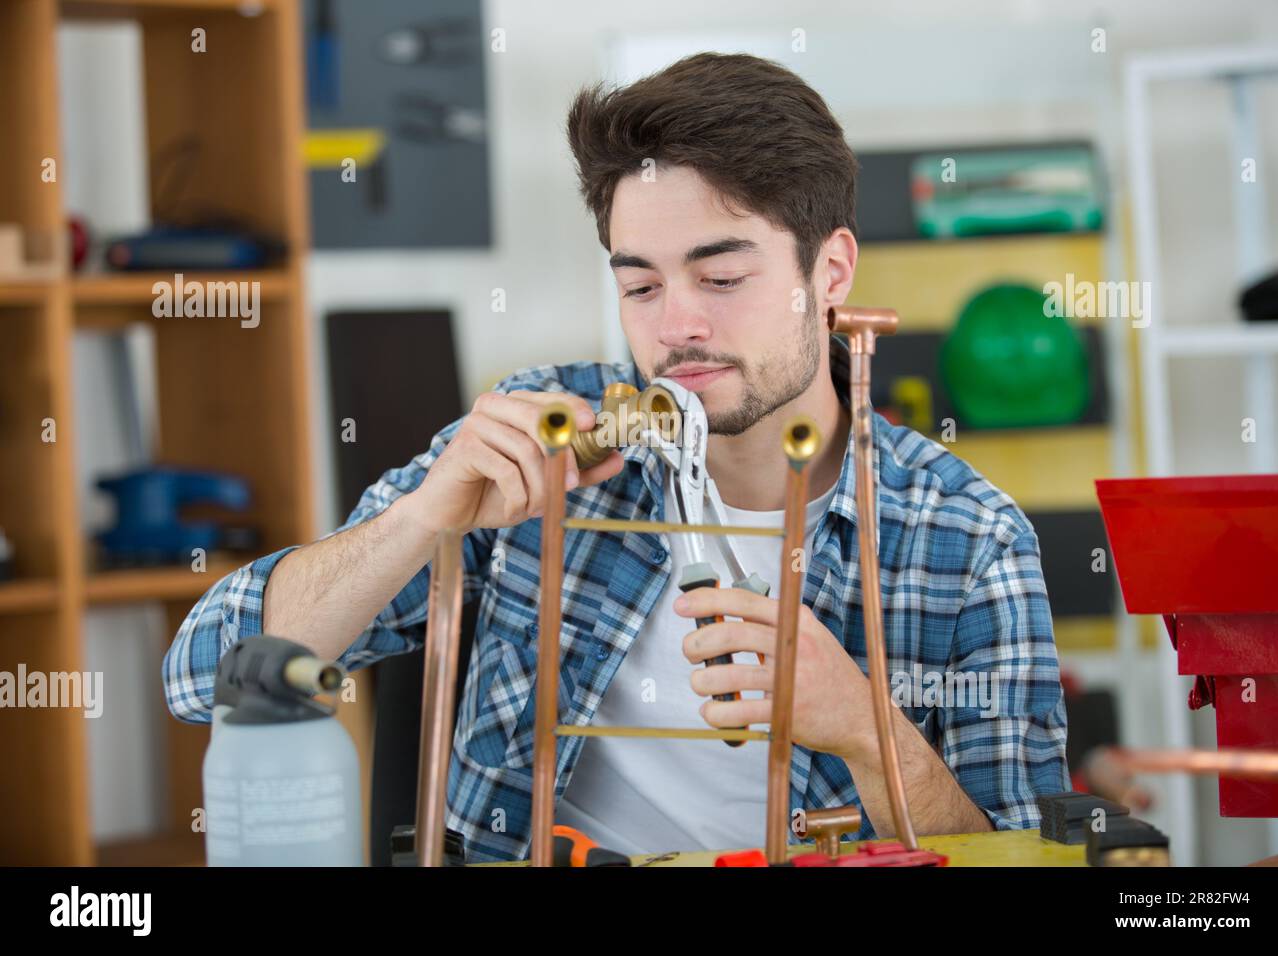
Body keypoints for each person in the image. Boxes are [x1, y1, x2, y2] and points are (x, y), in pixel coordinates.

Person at [164, 52, 1068, 863]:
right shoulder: (542, 429)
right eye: (639, 284)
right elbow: (202, 674)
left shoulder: (968, 537)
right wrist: (419, 520)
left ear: (829, 275)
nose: (676, 326)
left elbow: (1021, 855)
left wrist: (868, 733)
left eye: (721, 279)